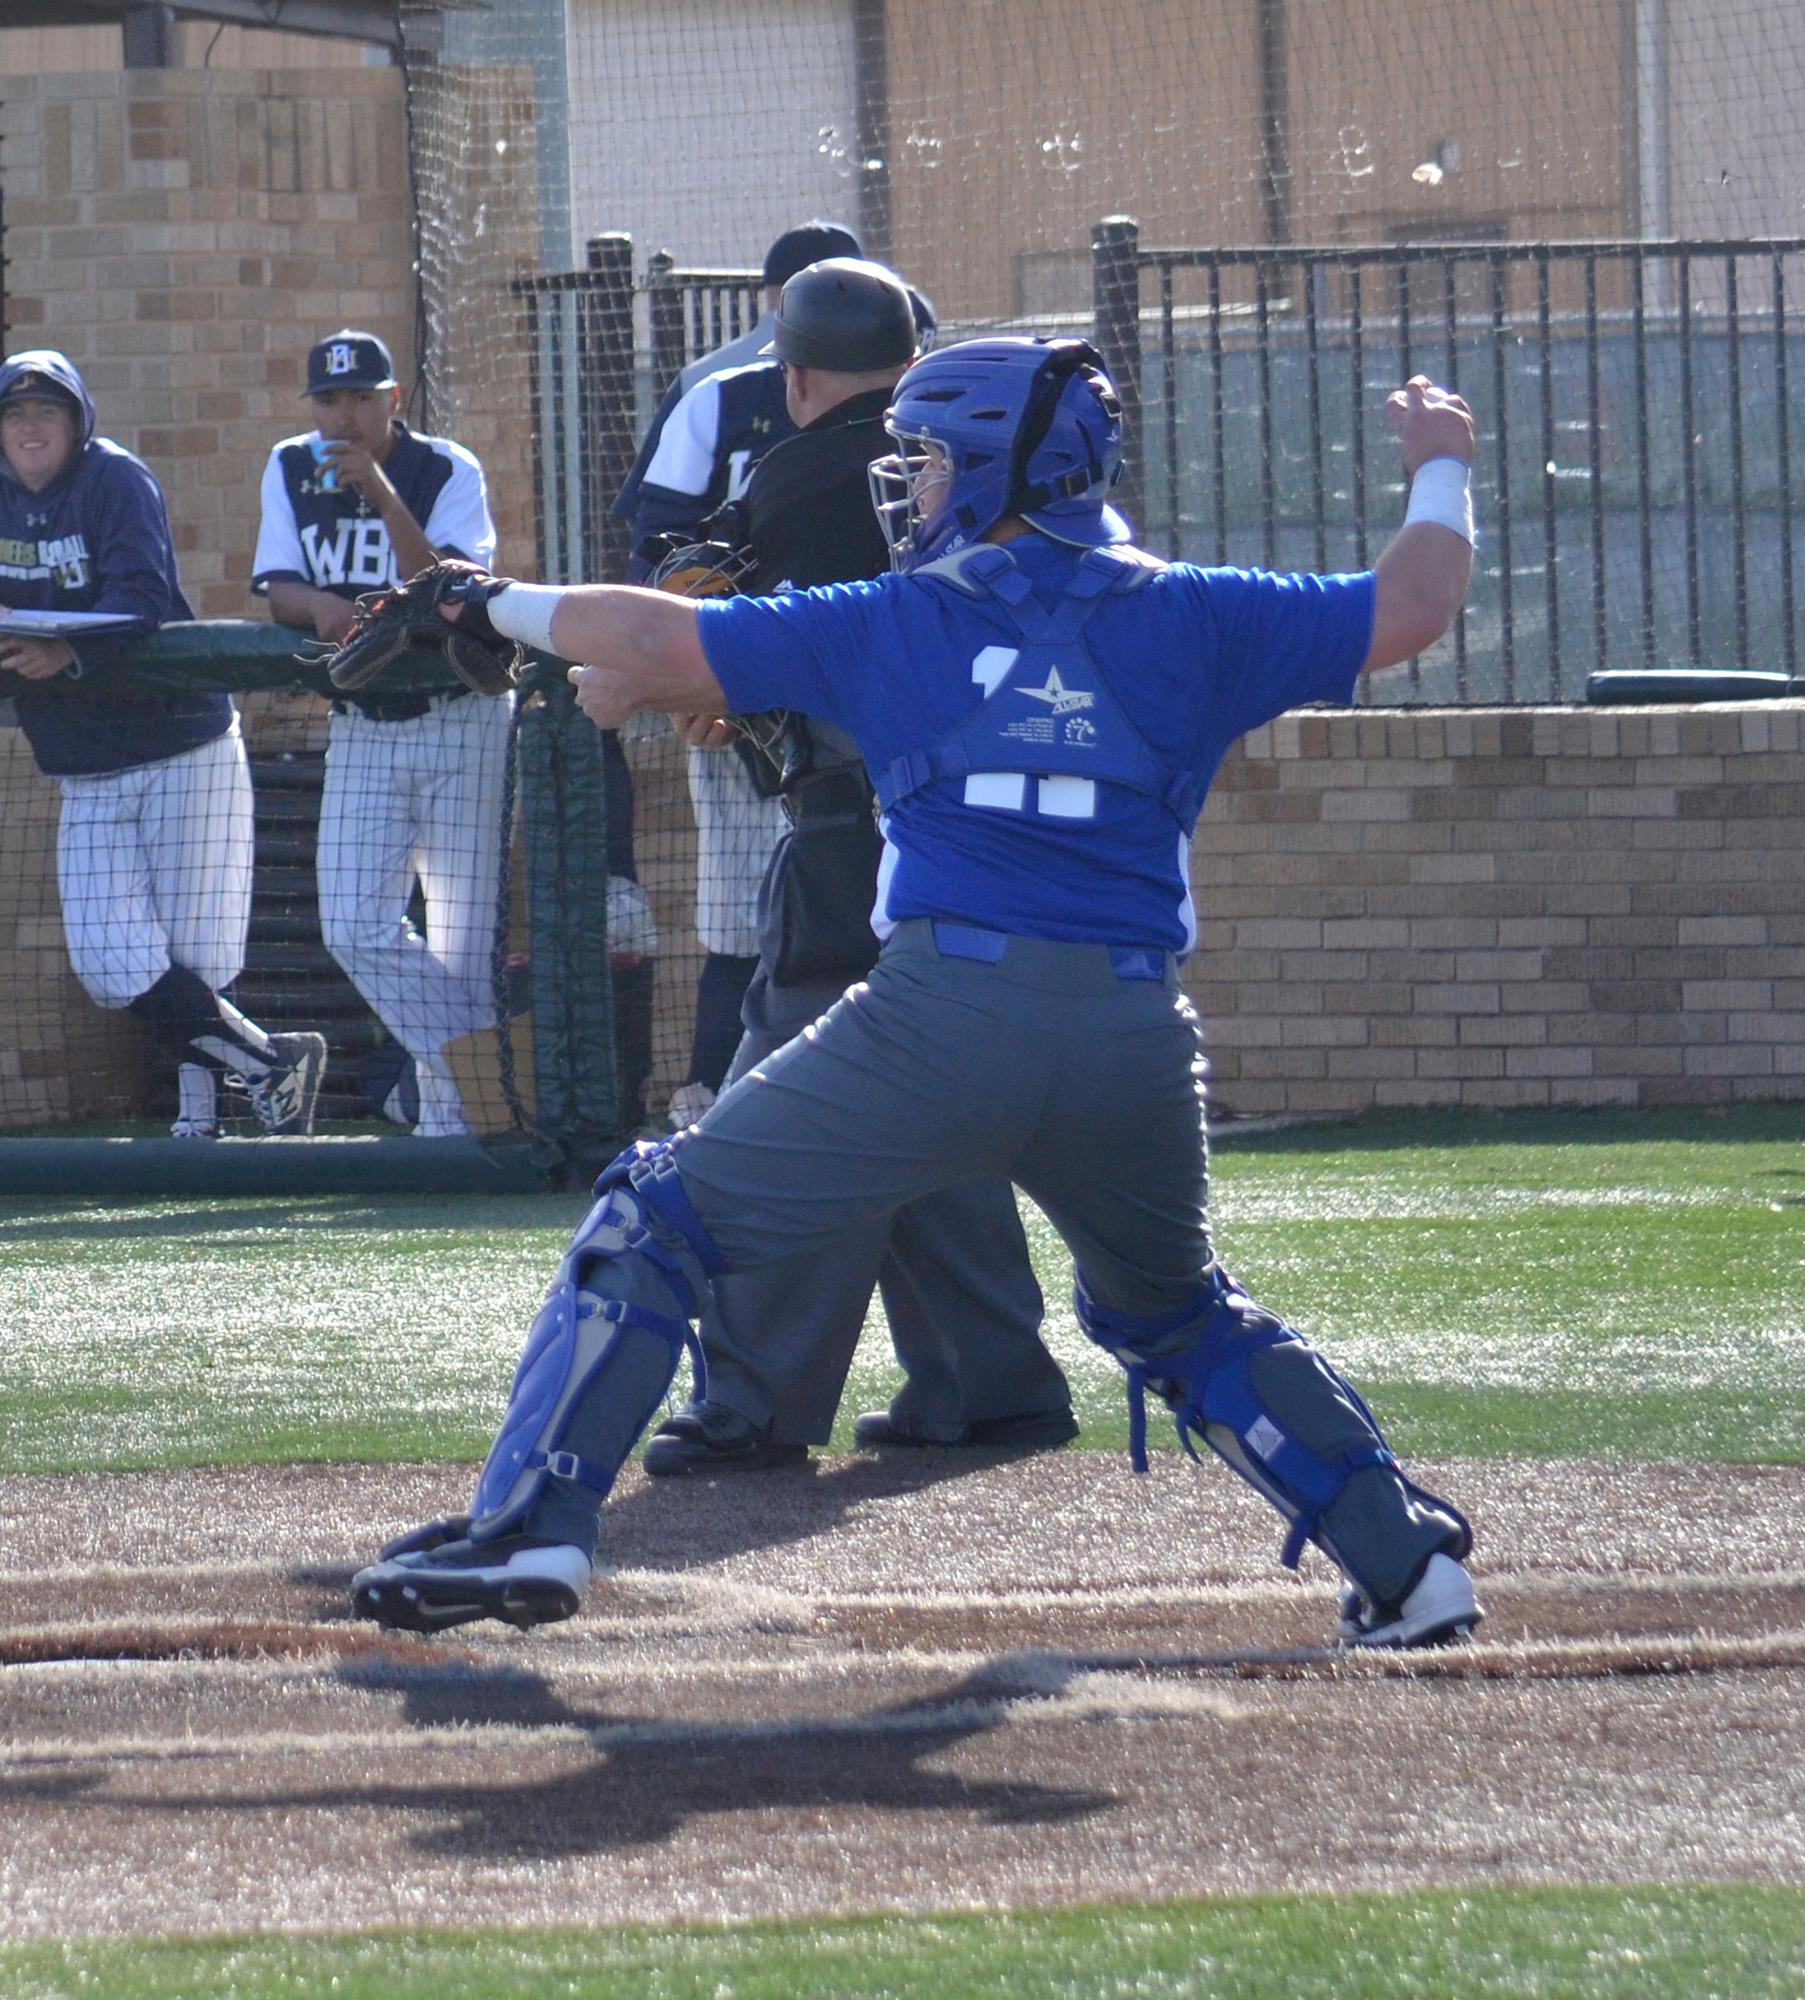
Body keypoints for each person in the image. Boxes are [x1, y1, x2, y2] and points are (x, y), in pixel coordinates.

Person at [351, 342, 1483, 1655]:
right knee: (1174, 1313)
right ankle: (1407, 1567)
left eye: (933, 457)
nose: (912, 483)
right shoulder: (1198, 611)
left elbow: (652, 635)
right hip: (1132, 1035)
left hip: (941, 1017)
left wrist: (479, 600)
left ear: (1001, 466)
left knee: (649, 1223)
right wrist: (1440, 463)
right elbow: (1412, 606)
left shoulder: (903, 618)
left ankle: (531, 1527)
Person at [642, 259, 1072, 1475]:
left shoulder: (797, 471)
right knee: (922, 1098)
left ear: (793, 377)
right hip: (980, 834)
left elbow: (712, 632)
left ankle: (752, 1401)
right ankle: (987, 1381)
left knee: (774, 1121)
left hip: (852, 836)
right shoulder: (975, 471)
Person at [0, 348, 325, 1138]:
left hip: (182, 746)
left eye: (48, 411)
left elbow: (142, 593)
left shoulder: (117, 480)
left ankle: (198, 1122)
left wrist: (70, 652)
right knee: (112, 963)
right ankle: (270, 1060)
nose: (31, 426)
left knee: (199, 952)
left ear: (77, 423)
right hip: (84, 766)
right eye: (15, 414)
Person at [616, 221, 862, 1131]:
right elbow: (657, 547)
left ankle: (743, 1103)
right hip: (743, 694)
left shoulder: (916, 398)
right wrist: (690, 657)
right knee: (744, 901)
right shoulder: (720, 393)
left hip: (847, 690)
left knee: (813, 896)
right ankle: (716, 1099)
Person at [253, 329, 517, 1138]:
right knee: (353, 926)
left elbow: (450, 590)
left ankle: (452, 1128)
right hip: (365, 724)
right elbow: (277, 587)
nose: (343, 416)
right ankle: (489, 1078)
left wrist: (381, 495)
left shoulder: (447, 468)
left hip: (460, 718)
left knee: (464, 942)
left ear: (392, 401)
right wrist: (318, 607)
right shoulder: (290, 464)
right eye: (329, 400)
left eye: (360, 398)